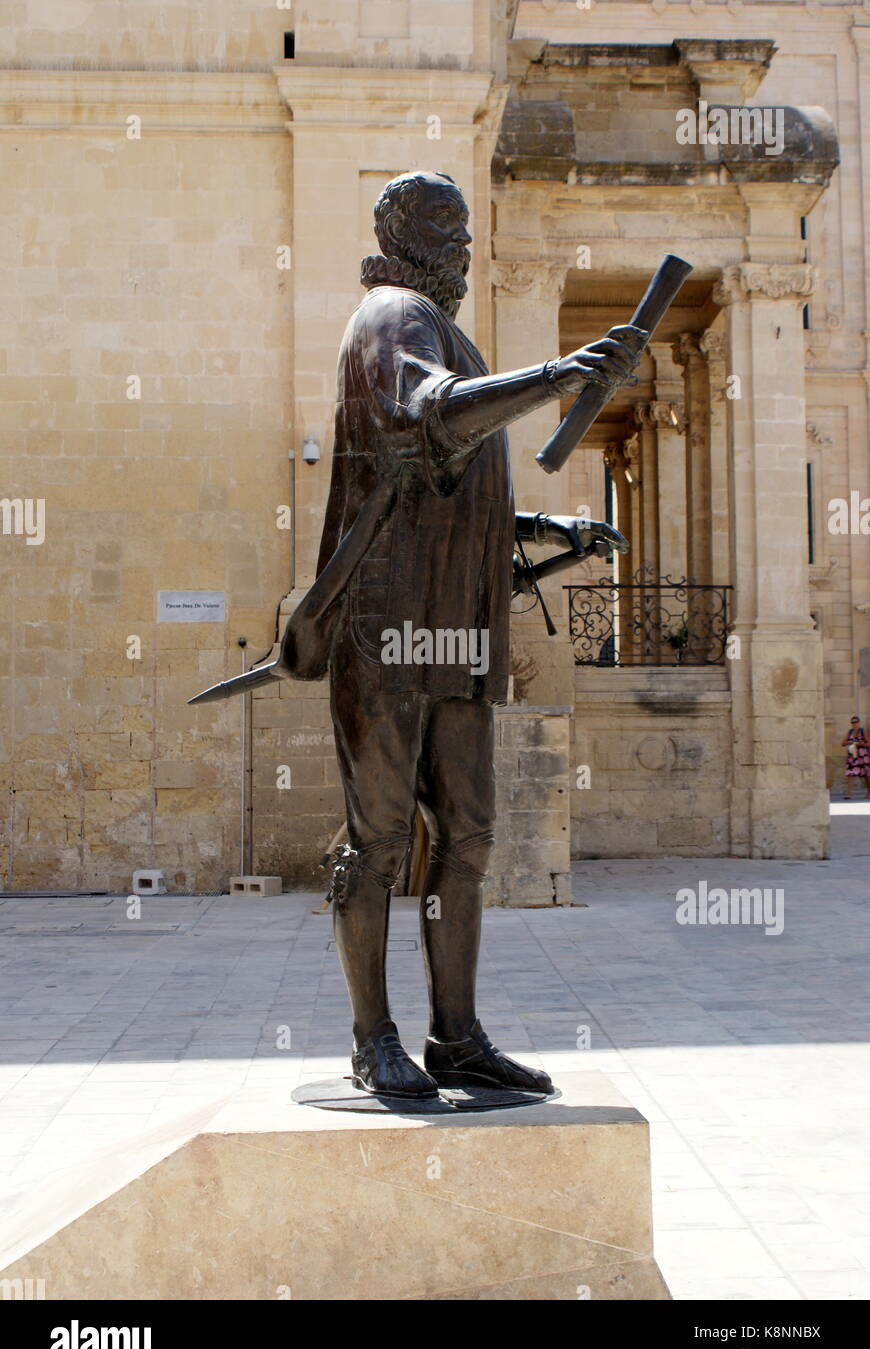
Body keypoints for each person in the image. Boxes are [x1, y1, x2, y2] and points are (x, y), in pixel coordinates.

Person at [318, 170, 645, 1097]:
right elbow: (431, 415)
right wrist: (560, 375)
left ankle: (456, 1038)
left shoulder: (445, 328)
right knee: (377, 839)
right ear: (406, 237)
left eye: (465, 232)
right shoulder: (393, 317)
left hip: (456, 627)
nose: (464, 247)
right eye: (447, 231)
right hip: (386, 625)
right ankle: (372, 1037)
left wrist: (556, 533)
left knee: (467, 834)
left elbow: (463, 500)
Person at [841, 715, 870, 799]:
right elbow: (843, 743)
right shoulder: (850, 732)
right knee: (850, 774)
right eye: (852, 722)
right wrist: (850, 742)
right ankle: (849, 794)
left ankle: (869, 792)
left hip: (862, 756)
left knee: (866, 775)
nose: (854, 724)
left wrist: (860, 744)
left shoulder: (862, 731)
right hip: (852, 756)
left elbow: (868, 743)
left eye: (856, 722)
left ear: (859, 723)